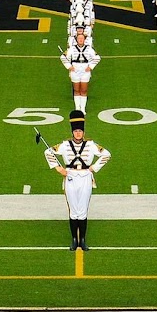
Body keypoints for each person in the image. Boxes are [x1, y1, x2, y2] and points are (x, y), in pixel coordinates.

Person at [44, 109, 111, 252]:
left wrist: (93, 167)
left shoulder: (91, 145)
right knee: (74, 211)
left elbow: (106, 155)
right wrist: (58, 168)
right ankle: (74, 239)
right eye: (76, 131)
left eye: (80, 131)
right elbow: (48, 152)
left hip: (86, 176)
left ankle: (83, 240)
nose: (78, 133)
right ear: (72, 132)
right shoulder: (65, 145)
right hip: (70, 177)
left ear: (84, 132)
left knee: (83, 210)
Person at [60, 29, 100, 115]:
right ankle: (77, 108)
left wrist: (90, 66)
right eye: (79, 38)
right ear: (76, 40)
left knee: (84, 90)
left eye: (82, 38)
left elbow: (97, 57)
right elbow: (63, 57)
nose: (81, 40)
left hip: (85, 70)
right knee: (76, 90)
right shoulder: (72, 49)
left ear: (85, 40)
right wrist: (69, 66)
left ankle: (83, 108)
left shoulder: (89, 49)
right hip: (75, 70)